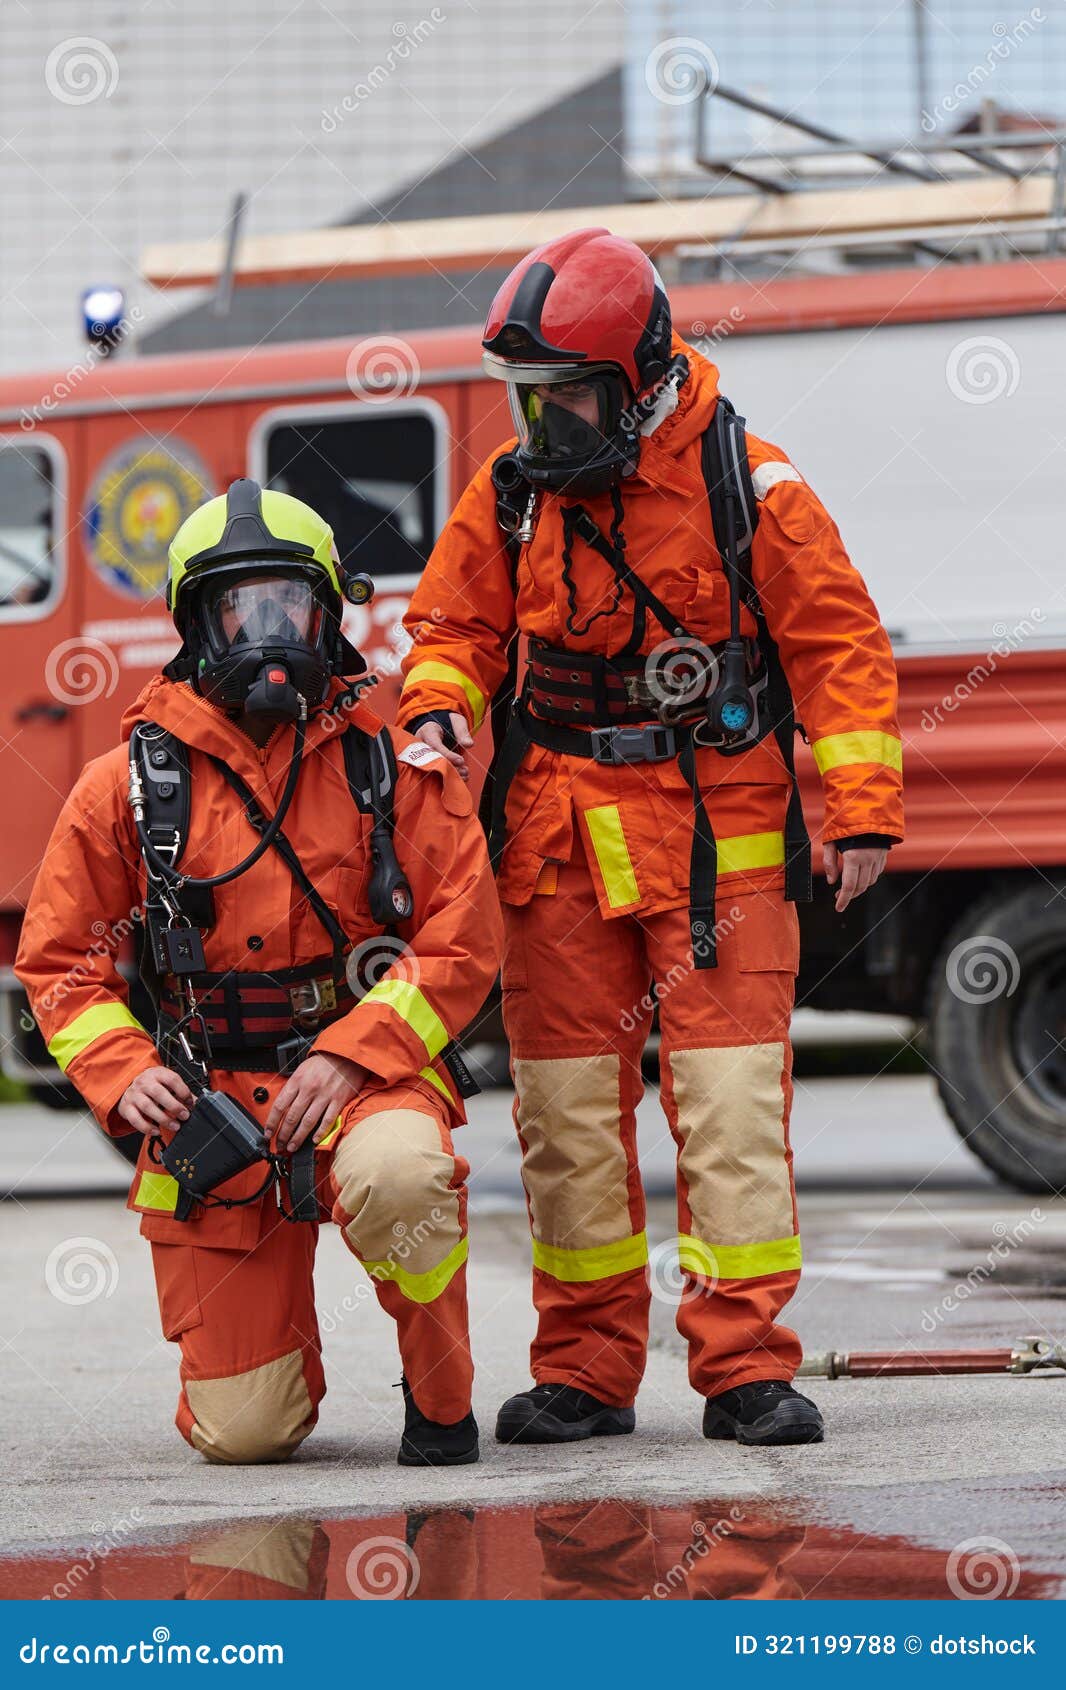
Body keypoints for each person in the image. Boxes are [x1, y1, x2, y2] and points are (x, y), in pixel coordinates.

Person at [397, 228, 903, 1447]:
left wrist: (859, 809)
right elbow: (452, 626)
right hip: (557, 847)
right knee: (565, 1121)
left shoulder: (750, 484)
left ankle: (743, 1370)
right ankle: (584, 1370)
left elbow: (838, 651)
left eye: (568, 396)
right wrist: (433, 707)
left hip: (713, 848)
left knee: (729, 1116)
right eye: (531, 399)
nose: (545, 422)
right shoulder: (514, 493)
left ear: (640, 375)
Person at [16, 479, 501, 1466]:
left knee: (401, 1174)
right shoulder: (128, 785)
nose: (268, 629)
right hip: (214, 1105)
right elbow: (62, 957)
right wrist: (120, 1069)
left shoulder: (391, 767)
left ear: (328, 614)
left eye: (290, 603)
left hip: (365, 1085)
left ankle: (441, 1400)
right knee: (245, 1436)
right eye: (242, 606)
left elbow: (461, 942)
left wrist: (353, 1057)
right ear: (199, 621)